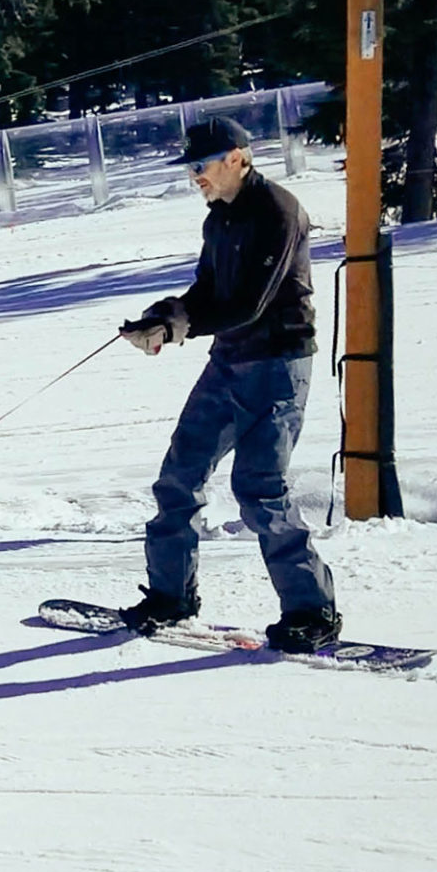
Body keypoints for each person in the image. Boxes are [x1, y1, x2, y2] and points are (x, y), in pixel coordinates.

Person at [117, 116, 338, 652]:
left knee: (259, 489)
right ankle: (171, 597)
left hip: (277, 365)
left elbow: (248, 305)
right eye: (190, 167)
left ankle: (312, 612)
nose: (195, 176)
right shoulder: (219, 219)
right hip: (228, 362)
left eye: (202, 165)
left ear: (237, 158)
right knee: (178, 479)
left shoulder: (278, 211)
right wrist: (164, 318)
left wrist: (180, 328)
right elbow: (208, 292)